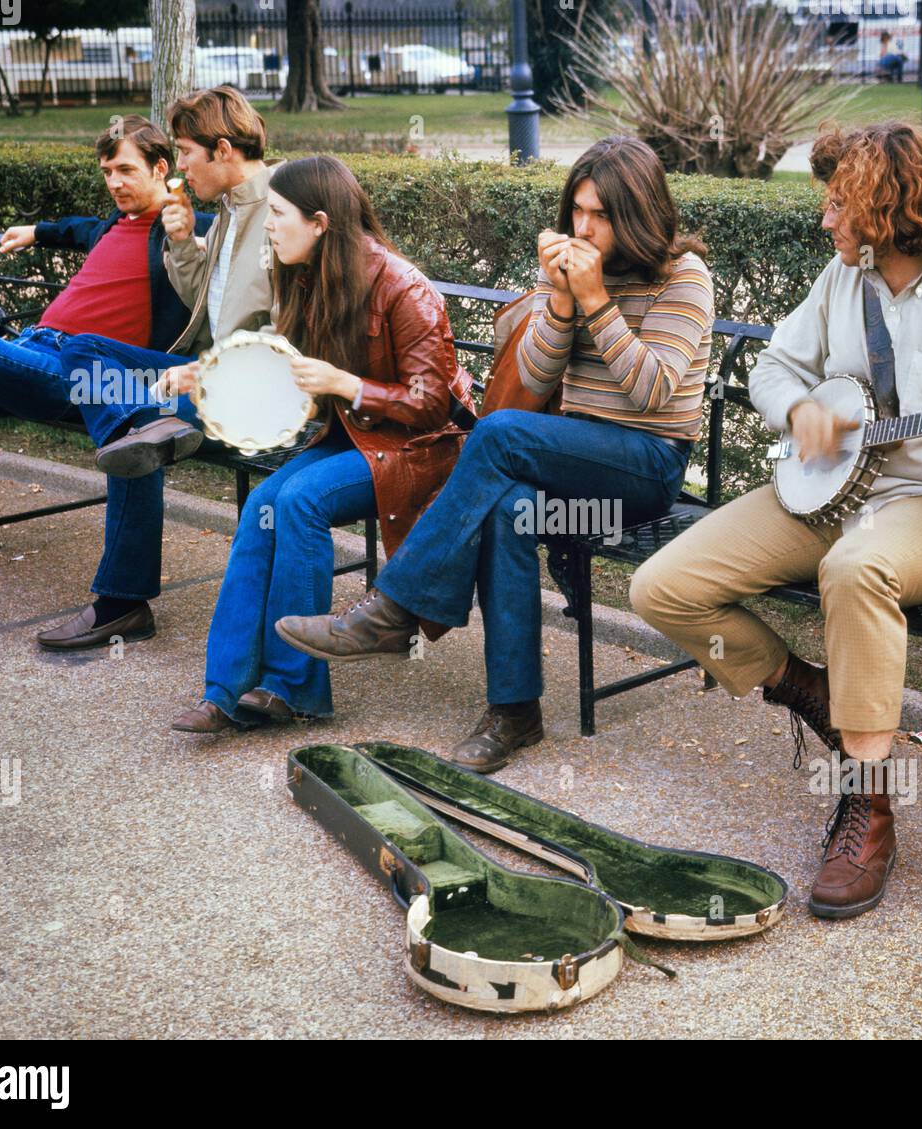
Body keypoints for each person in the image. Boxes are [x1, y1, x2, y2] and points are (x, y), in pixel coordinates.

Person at [629, 121, 922, 921]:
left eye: (839, 203)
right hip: (833, 495)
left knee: (856, 567)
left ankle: (869, 803)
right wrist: (800, 411)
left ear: (886, 208)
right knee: (663, 586)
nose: (824, 218)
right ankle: (812, 692)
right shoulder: (842, 281)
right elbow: (773, 366)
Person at [275, 136, 715, 773]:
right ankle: (515, 710)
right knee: (509, 507)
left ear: (639, 214)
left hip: (645, 465)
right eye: (577, 211)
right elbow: (535, 377)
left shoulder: (684, 277)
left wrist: (595, 301)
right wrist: (560, 302)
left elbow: (650, 390)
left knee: (501, 433)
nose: (583, 228)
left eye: (601, 215)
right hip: (565, 454)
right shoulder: (572, 269)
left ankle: (394, 608)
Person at [170, 156, 474, 732]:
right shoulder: (304, 274)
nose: (269, 225)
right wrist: (210, 375)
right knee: (263, 505)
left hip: (420, 449)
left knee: (297, 500)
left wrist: (347, 384)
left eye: (278, 214)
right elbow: (285, 363)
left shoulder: (404, 286)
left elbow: (431, 402)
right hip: (357, 437)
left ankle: (292, 688)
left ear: (319, 222)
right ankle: (224, 690)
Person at [33, 86, 282, 651]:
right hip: (203, 371)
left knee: (133, 419)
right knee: (86, 352)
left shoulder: (279, 208)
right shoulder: (229, 210)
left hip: (253, 387)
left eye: (187, 153)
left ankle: (121, 604)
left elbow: (296, 332)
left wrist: (212, 372)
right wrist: (184, 242)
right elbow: (205, 305)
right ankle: (137, 429)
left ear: (223, 150)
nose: (182, 167)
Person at [0, 114, 210, 431]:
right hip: (27, 351)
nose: (114, 183)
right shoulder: (113, 224)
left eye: (126, 170)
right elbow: (79, 228)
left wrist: (192, 237)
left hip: (79, 375)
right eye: (107, 172)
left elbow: (231, 245)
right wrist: (38, 231)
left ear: (160, 168)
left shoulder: (185, 230)